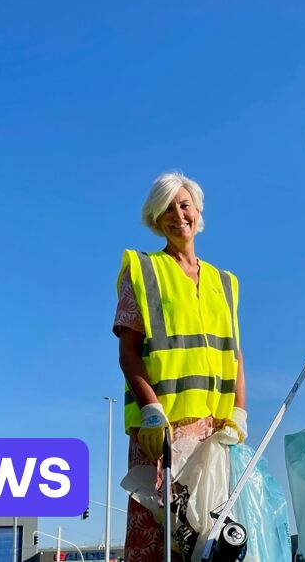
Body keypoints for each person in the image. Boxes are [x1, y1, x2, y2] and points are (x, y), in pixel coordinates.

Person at [113, 172, 248, 562]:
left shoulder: (226, 283)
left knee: (209, 542)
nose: (178, 214)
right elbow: (128, 352)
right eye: (167, 208)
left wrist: (238, 410)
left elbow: (234, 353)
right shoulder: (142, 270)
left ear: (198, 211)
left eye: (184, 204)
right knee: (158, 544)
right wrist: (151, 411)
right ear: (155, 219)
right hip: (160, 434)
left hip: (212, 435)